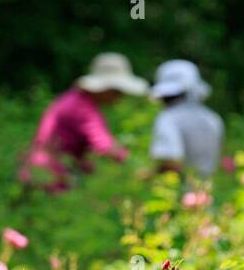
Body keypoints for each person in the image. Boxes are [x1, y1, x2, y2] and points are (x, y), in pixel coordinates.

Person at [20, 53, 148, 191]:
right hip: (50, 178)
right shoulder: (83, 109)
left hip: (41, 171)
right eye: (117, 92)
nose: (120, 97)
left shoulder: (75, 99)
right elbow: (105, 147)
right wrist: (133, 165)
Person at [148, 60, 224, 177]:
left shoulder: (168, 118)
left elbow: (170, 162)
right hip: (207, 189)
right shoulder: (213, 118)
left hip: (179, 190)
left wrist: (149, 175)